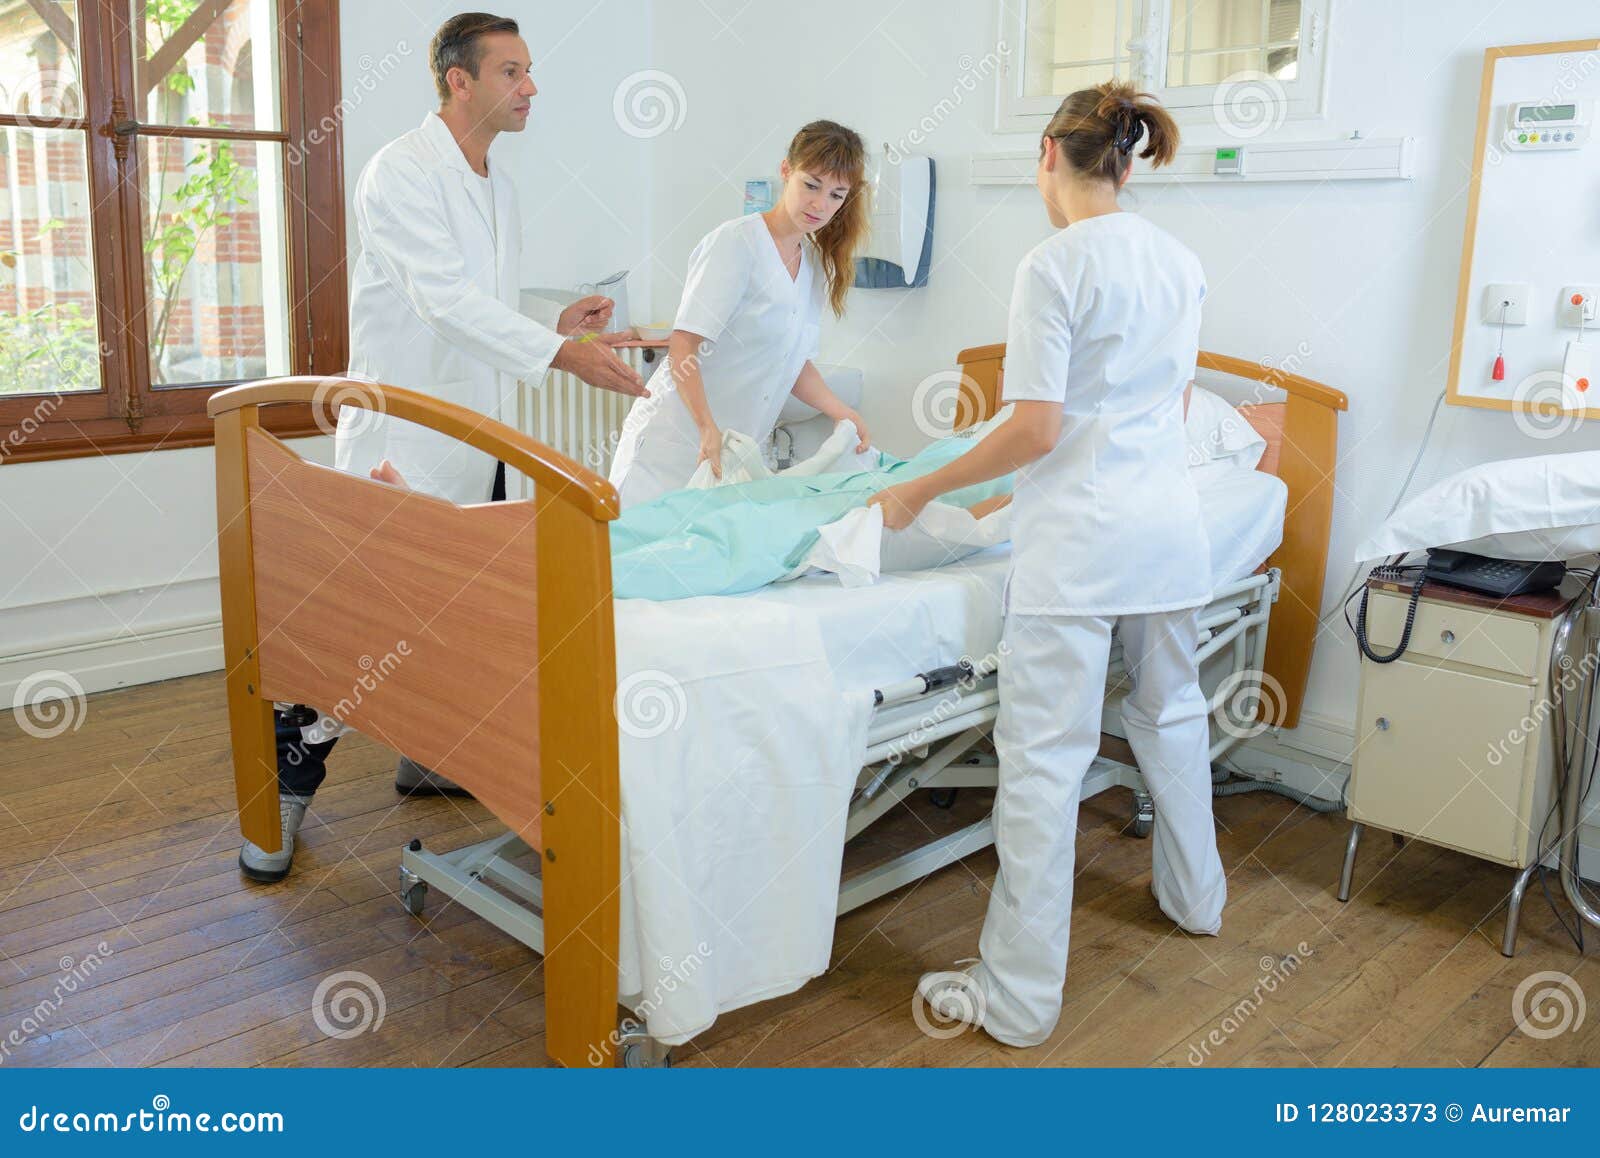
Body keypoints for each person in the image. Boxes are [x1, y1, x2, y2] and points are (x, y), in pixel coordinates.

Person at [239, 12, 646, 883]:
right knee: (360, 620)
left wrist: (552, 325)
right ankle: (281, 795)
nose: (531, 87)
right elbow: (439, 303)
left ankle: (427, 755)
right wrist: (561, 355)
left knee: (462, 612)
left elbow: (478, 309)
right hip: (410, 433)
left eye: (530, 70)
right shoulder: (400, 172)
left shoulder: (497, 181)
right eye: (512, 71)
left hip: (483, 433)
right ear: (458, 80)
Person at [869, 80, 1227, 1047]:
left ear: (1046, 157)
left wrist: (917, 489)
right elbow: (1161, 413)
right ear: (1124, 156)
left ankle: (1018, 999)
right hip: (1168, 535)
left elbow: (1036, 426)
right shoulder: (1178, 261)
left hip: (1083, 552)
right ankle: (1198, 901)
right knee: (1175, 712)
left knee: (1042, 764)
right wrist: (999, 494)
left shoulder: (1054, 263)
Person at [608, 121, 873, 508]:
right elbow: (684, 345)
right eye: (811, 185)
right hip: (675, 441)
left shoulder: (814, 264)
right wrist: (705, 425)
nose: (820, 205)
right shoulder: (736, 243)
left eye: (836, 195)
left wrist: (843, 412)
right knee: (635, 553)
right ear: (786, 171)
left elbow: (794, 363)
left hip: (733, 449)